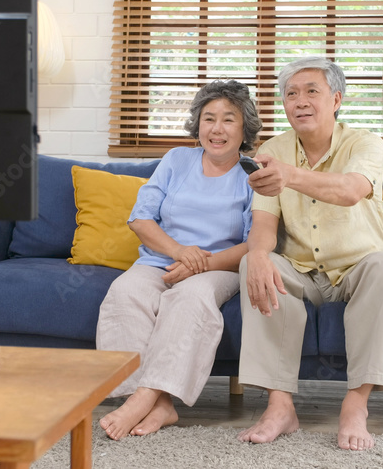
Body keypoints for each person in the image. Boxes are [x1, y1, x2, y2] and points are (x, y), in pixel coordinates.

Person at [235, 57, 383, 451]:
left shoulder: (365, 143)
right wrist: (259, 256)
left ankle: (355, 404)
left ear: (336, 99)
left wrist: (290, 175)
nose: (300, 101)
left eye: (311, 91)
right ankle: (280, 407)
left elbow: (350, 190)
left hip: (357, 267)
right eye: (291, 94)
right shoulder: (272, 148)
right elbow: (263, 226)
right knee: (255, 260)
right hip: (300, 269)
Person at [96, 79, 261, 440]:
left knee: (190, 298)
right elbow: (140, 217)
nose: (217, 129)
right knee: (125, 293)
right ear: (197, 124)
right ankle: (161, 406)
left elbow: (255, 243)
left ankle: (143, 399)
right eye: (209, 118)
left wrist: (199, 264)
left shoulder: (253, 173)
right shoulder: (176, 159)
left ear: (245, 127)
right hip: (162, 259)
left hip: (221, 265)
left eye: (228, 119)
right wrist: (179, 252)